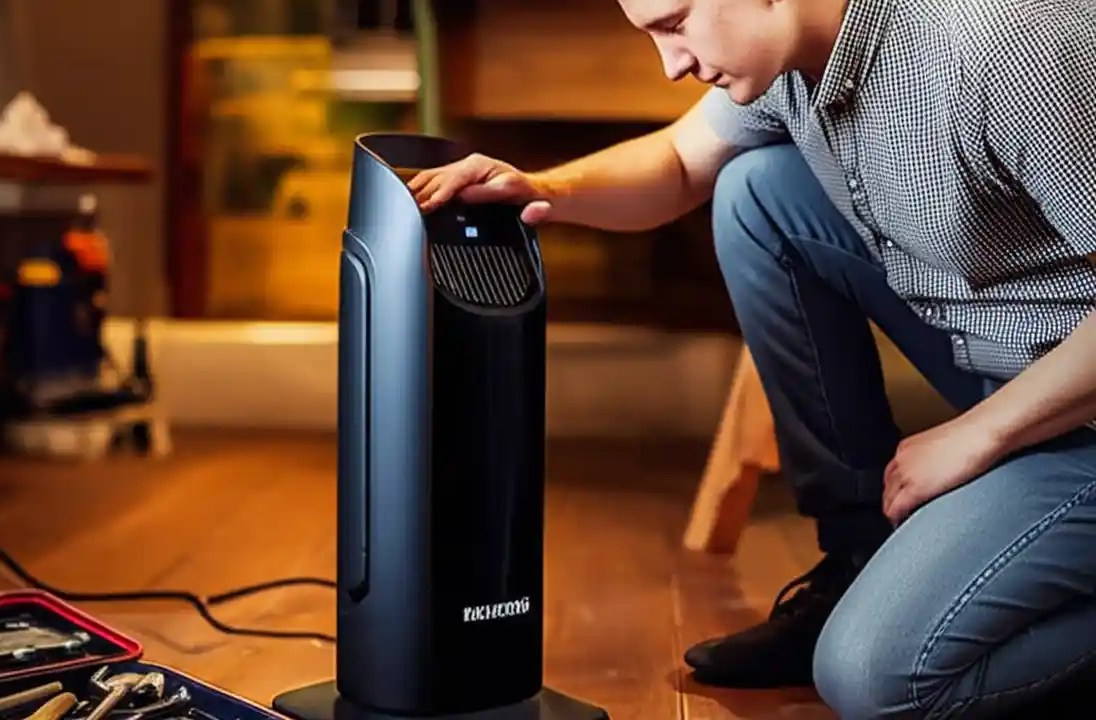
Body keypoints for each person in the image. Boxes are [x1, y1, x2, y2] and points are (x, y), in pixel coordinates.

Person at [406, 0, 1096, 716]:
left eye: (674, 24)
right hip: (1017, 360)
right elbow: (676, 162)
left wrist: (977, 436)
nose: (671, 65)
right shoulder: (799, 61)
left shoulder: (1010, 46)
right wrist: (541, 189)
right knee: (757, 191)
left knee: (874, 679)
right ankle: (858, 558)